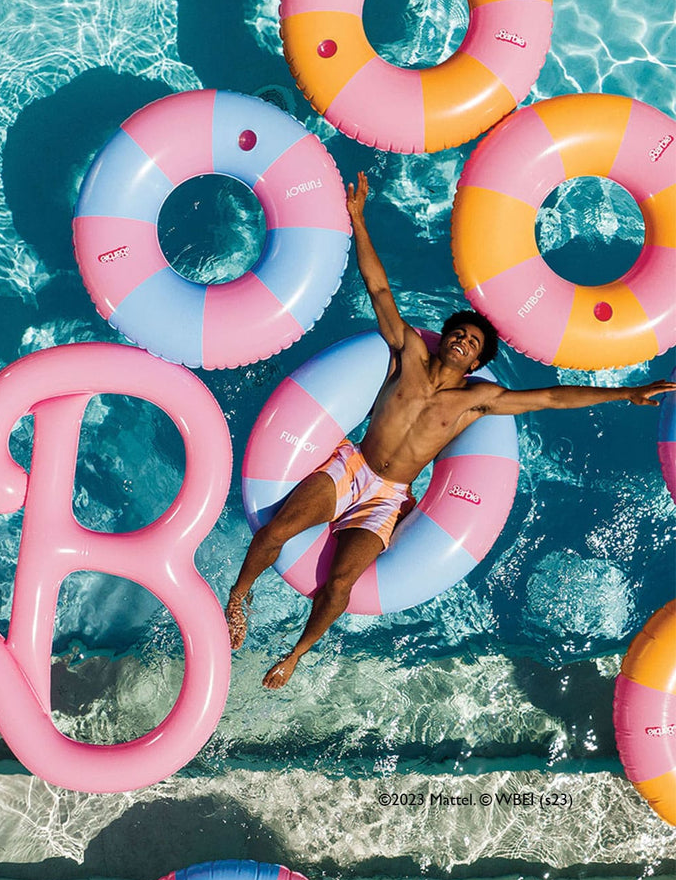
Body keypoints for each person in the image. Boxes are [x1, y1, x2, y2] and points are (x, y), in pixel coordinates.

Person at [227, 172, 676, 689]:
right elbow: (378, 287)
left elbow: (553, 397)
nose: (463, 341)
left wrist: (627, 393)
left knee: (342, 583)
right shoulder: (408, 357)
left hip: (387, 498)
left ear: (478, 361)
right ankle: (239, 598)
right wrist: (357, 219)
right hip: (352, 466)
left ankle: (295, 655)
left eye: (472, 342)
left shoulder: (476, 401)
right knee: (279, 529)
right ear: (444, 340)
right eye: (458, 333)